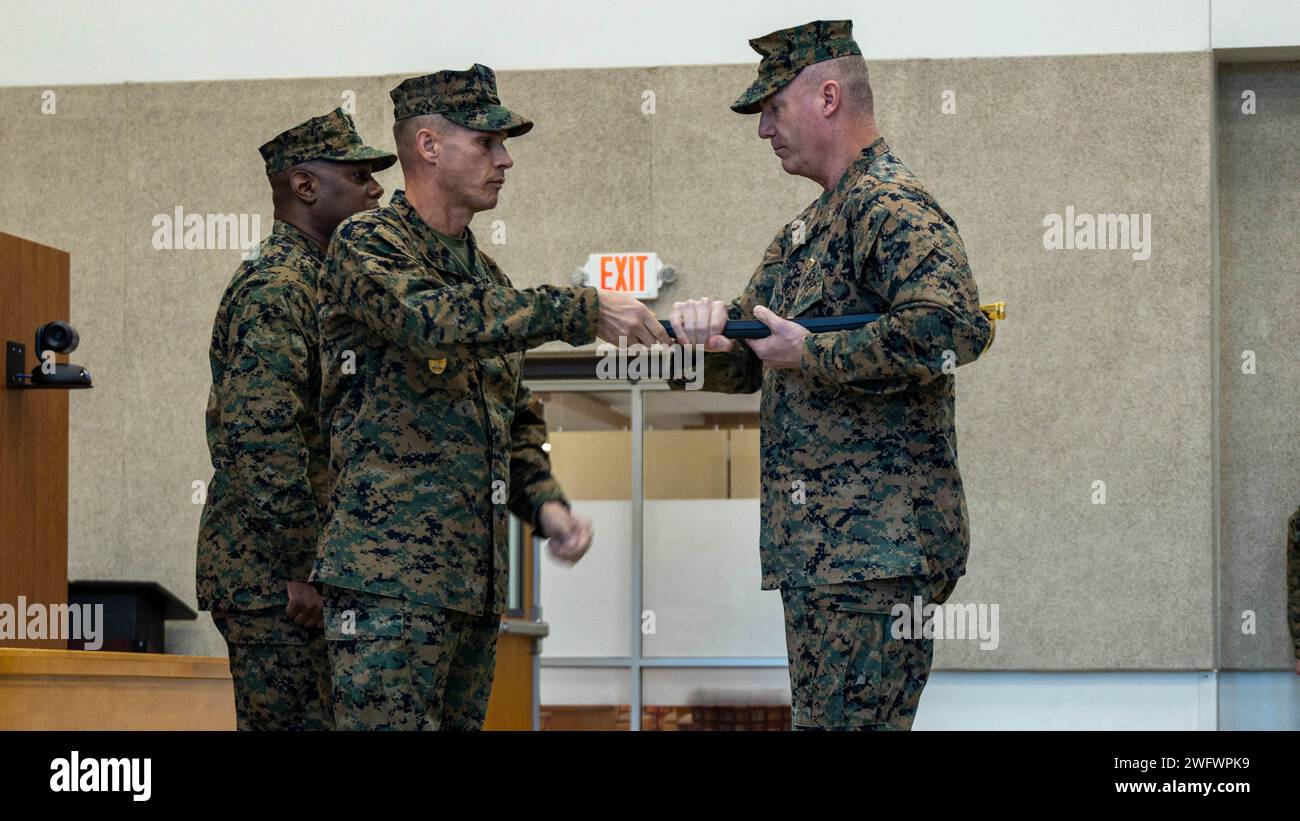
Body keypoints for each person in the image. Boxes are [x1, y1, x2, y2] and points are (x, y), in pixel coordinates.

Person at [312, 63, 670, 730]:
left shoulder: (487, 278)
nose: (505, 159)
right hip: (386, 587)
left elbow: (512, 423)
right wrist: (582, 309)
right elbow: (430, 321)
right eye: (487, 142)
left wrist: (549, 506)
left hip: (471, 593)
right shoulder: (366, 245)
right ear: (427, 145)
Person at [669, 20, 991, 730]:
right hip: (823, 556)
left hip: (875, 554)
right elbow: (752, 352)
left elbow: (953, 328)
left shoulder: (889, 207)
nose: (763, 130)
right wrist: (696, 339)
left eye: (772, 107)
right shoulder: (806, 233)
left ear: (828, 97)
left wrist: (811, 353)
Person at [197, 108, 395, 730]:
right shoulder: (279, 285)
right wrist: (299, 567)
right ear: (305, 186)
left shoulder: (321, 279)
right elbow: (262, 435)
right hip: (277, 585)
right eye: (360, 175)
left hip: (304, 578)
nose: (377, 189)